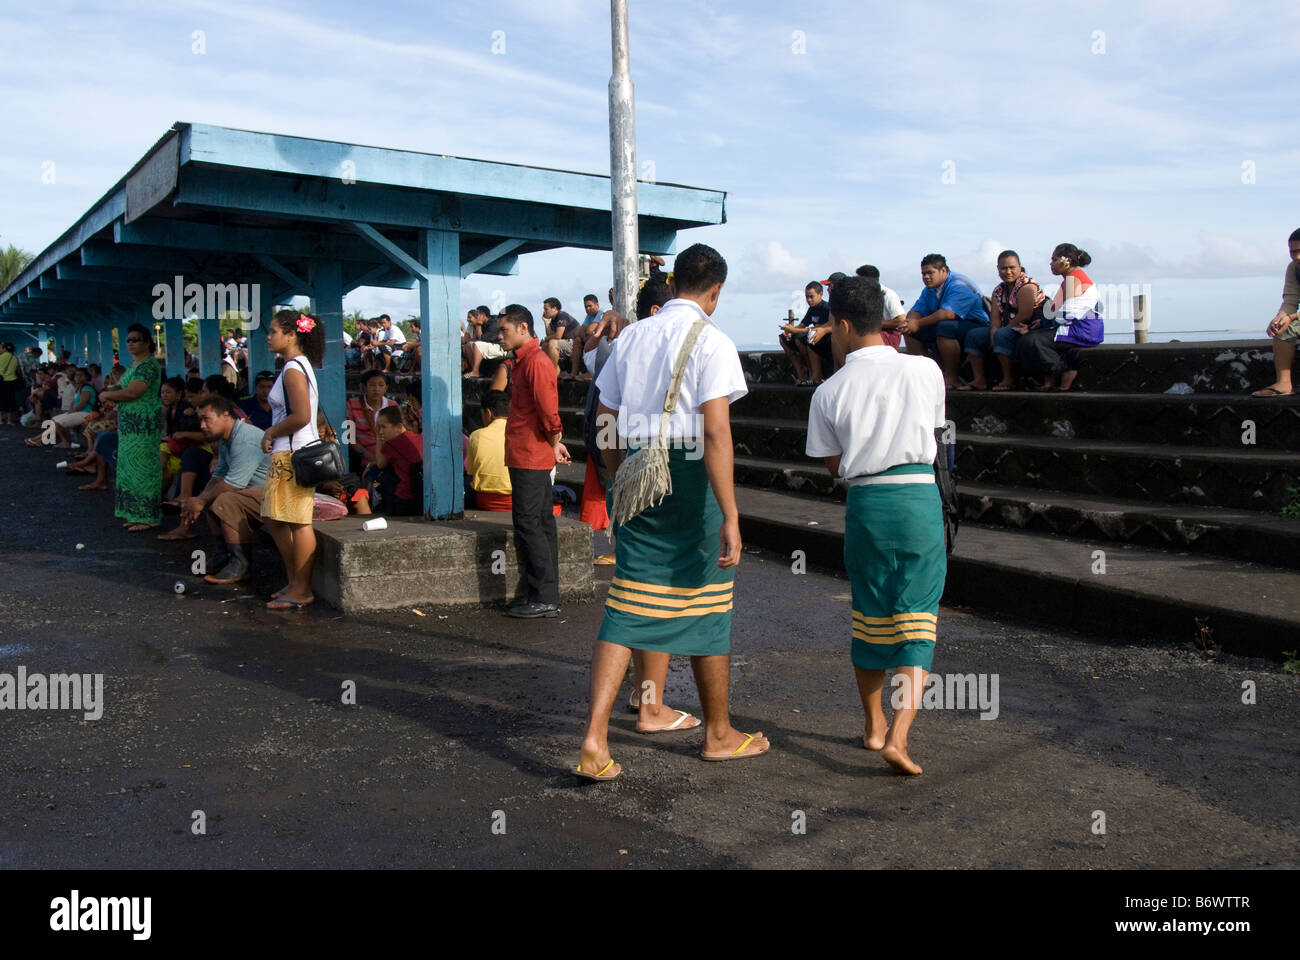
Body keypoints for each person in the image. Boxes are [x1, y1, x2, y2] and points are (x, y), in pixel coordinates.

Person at [576, 243, 769, 782]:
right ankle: (719, 733)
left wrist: (619, 476)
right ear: (716, 291)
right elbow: (715, 432)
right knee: (708, 600)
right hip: (688, 476)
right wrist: (730, 513)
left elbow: (604, 419)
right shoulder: (714, 341)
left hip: (638, 469)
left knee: (630, 598)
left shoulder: (632, 337)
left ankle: (595, 735)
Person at [805, 275, 947, 776]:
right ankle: (901, 736)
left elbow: (832, 464)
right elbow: (932, 434)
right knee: (916, 617)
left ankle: (873, 726)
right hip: (917, 500)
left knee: (870, 612)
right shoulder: (926, 370)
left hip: (865, 503)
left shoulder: (828, 391)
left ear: (843, 324)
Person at [498, 304, 567, 618]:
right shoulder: (525, 361)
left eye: (504, 330)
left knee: (530, 522)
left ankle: (544, 596)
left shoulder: (535, 362)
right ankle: (542, 593)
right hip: (529, 452)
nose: (500, 336)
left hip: (531, 454)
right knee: (539, 522)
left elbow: (548, 411)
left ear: (523, 328)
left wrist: (554, 441)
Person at [259, 308, 324, 611]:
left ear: (290, 334)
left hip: (292, 453)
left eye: (273, 331)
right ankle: (294, 581)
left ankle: (301, 587)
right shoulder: (298, 366)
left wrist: (270, 431)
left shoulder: (293, 369)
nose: (268, 337)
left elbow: (301, 416)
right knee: (276, 519)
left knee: (298, 523)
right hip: (289, 451)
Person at [177, 395, 270, 584]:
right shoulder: (226, 438)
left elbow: (233, 484)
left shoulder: (245, 439)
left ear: (226, 416)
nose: (202, 425)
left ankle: (240, 563)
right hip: (252, 494)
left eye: (206, 419)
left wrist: (201, 501)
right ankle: (224, 554)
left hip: (272, 495)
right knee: (211, 496)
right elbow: (218, 476)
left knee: (224, 500)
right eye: (200, 419)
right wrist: (199, 500)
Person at [99, 324, 163, 532]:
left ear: (147, 343)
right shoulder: (135, 365)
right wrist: (111, 390)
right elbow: (124, 388)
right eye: (128, 340)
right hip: (129, 426)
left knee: (143, 468)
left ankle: (148, 516)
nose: (131, 343)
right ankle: (135, 513)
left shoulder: (148, 366)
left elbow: (133, 392)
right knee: (129, 467)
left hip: (143, 426)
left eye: (136, 339)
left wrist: (109, 395)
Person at [1014, 244, 1102, 391]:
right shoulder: (1072, 278)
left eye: (1054, 259)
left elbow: (1067, 316)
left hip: (1081, 330)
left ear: (1066, 261)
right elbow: (1055, 311)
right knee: (1031, 337)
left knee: (1030, 341)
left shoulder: (1073, 280)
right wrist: (1038, 324)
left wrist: (1040, 326)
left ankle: (1063, 371)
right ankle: (1050, 379)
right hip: (1081, 328)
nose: (1051, 263)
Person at [900, 254, 991, 388]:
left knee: (945, 327)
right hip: (949, 324)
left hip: (976, 325)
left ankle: (952, 378)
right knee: (909, 331)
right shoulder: (930, 289)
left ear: (943, 271)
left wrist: (917, 324)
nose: (926, 277)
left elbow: (947, 313)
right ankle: (926, 375)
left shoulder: (959, 285)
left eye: (930, 273)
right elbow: (917, 310)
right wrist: (910, 323)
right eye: (923, 274)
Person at [966, 250, 1047, 391]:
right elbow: (995, 318)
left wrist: (999, 332)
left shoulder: (1027, 285)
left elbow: (1025, 314)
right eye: (1004, 268)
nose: (1008, 271)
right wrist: (993, 333)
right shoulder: (998, 290)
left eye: (1012, 268)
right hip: (1006, 326)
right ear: (998, 269)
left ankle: (1008, 379)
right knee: (974, 335)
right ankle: (979, 379)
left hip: (1028, 326)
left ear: (1019, 268)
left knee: (1002, 335)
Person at [1252, 228, 1300, 397]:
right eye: (1293, 252)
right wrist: (1280, 318)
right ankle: (1284, 383)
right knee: (1284, 328)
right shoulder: (1294, 268)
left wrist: (1291, 317)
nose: (1297, 257)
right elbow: (1291, 299)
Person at [345, 369, 397, 478]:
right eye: (372, 385)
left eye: (381, 385)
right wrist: (373, 457)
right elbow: (349, 438)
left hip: (391, 461)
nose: (376, 389)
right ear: (364, 387)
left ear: (386, 388)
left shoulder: (393, 406)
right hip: (366, 461)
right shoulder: (352, 405)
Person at [466, 390, 513, 511]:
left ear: (488, 412)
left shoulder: (476, 435)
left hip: (485, 501)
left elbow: (471, 471)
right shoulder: (521, 433)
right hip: (518, 500)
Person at [373, 406, 423, 515]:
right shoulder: (418, 437)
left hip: (405, 498)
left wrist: (378, 438)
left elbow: (380, 464)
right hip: (421, 497)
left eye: (383, 427)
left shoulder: (392, 444)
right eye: (379, 428)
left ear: (399, 427)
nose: (381, 431)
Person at [777, 281, 830, 385]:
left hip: (822, 340)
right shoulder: (812, 309)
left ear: (820, 294)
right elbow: (803, 325)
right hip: (810, 335)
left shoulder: (825, 308)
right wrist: (789, 331)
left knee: (802, 339)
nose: (809, 300)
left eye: (811, 296)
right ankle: (800, 371)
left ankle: (814, 374)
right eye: (807, 297)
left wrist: (794, 330)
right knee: (783, 339)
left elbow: (819, 328)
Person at [855, 265, 907, 349]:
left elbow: (901, 320)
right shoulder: (863, 296)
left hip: (888, 334)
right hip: (871, 332)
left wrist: (875, 324)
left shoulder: (889, 295)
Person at [562, 294, 605, 379]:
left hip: (603, 341)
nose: (587, 309)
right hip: (591, 339)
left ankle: (590, 373)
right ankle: (573, 373)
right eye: (586, 307)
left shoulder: (601, 313)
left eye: (590, 306)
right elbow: (581, 332)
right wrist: (586, 333)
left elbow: (589, 330)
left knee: (591, 338)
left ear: (597, 305)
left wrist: (587, 333)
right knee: (577, 340)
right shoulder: (589, 316)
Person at [463, 306, 507, 378]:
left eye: (478, 315)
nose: (477, 317)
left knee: (478, 344)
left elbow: (481, 339)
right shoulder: (483, 324)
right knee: (468, 345)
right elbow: (477, 338)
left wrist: (479, 325)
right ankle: (474, 370)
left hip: (500, 347)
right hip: (490, 346)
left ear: (483, 315)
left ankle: (475, 371)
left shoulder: (493, 324)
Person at [541, 297, 581, 373]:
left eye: (546, 309)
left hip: (575, 343)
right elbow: (551, 335)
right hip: (566, 342)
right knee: (545, 345)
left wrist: (546, 338)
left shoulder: (561, 315)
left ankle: (553, 371)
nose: (544, 312)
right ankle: (557, 371)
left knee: (552, 343)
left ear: (554, 308)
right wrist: (546, 322)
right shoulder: (553, 319)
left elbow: (558, 336)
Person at [0, 342, 22, 426]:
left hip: (2, 381)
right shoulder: (15, 358)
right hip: (12, 381)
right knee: (10, 400)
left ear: (5, 349)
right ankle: (9, 420)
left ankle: (0, 419)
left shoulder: (1, 357)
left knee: (1, 400)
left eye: (1, 347)